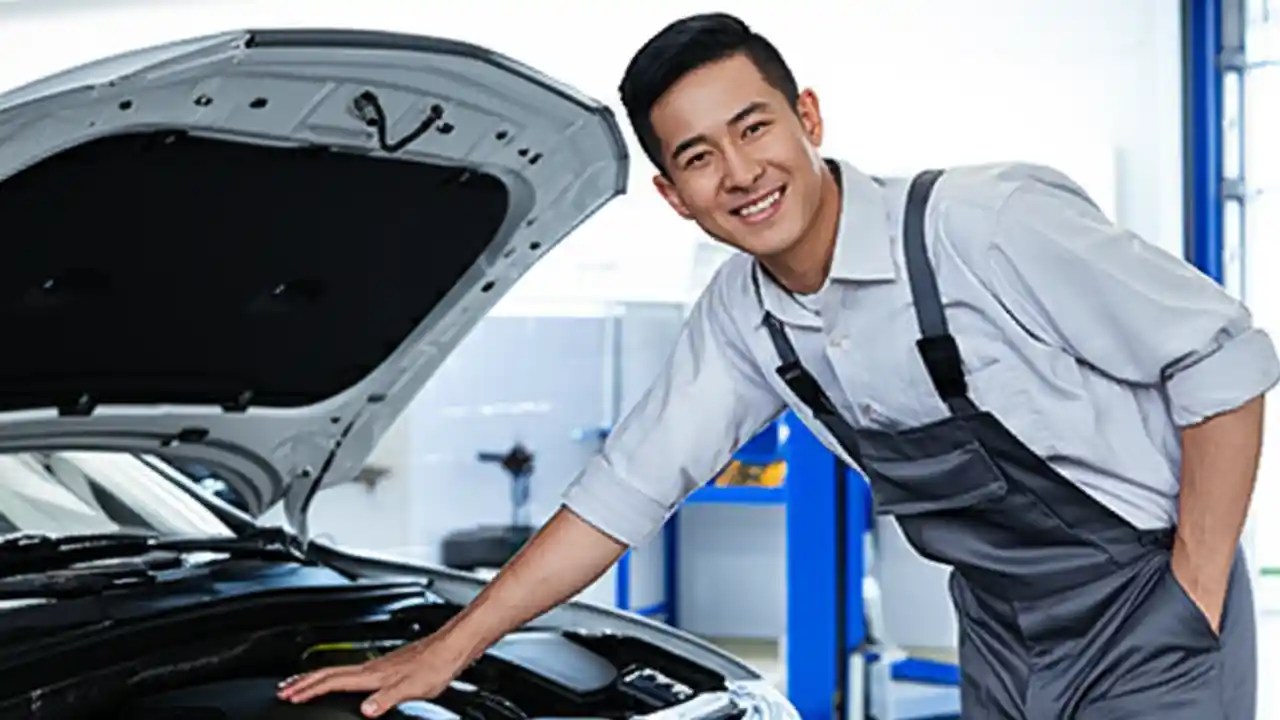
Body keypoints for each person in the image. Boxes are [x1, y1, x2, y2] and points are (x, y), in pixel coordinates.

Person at [278, 12, 1278, 719]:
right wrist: (450, 648)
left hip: (1148, 608)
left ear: (806, 115)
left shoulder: (983, 224)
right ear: (673, 194)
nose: (741, 172)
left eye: (752, 127)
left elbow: (1220, 358)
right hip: (1001, 628)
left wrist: (1188, 590)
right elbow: (621, 495)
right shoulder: (742, 320)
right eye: (699, 156)